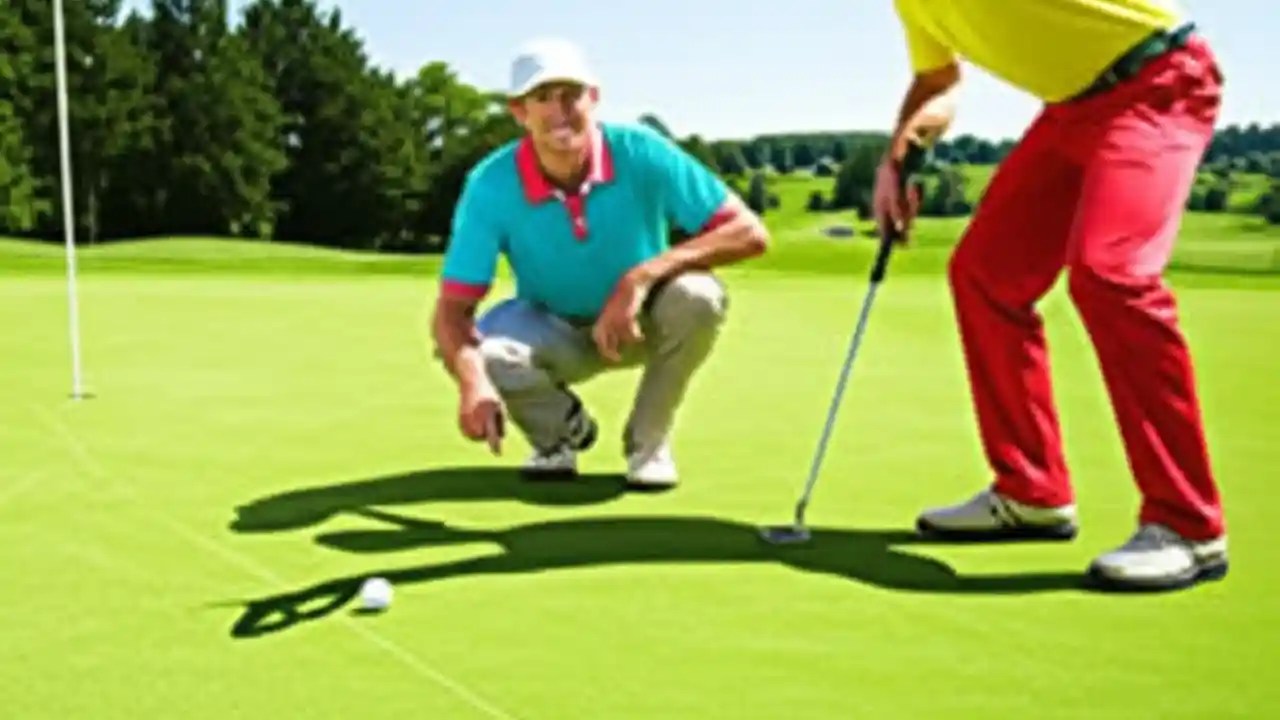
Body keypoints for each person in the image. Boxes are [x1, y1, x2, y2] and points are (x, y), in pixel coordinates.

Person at [876, 0, 1229, 591]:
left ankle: (1189, 524)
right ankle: (1031, 490)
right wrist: (901, 152)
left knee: (1112, 275)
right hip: (1071, 111)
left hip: (1159, 80)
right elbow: (938, 80)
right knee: (986, 273)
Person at [430, 37, 769, 488]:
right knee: (483, 356)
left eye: (571, 94)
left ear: (594, 97)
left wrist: (639, 279)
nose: (560, 110)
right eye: (542, 97)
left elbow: (748, 232)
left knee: (698, 297)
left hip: (640, 322)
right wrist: (473, 384)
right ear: (519, 111)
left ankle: (648, 443)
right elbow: (453, 311)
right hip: (554, 327)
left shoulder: (642, 151)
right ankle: (559, 437)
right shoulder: (491, 184)